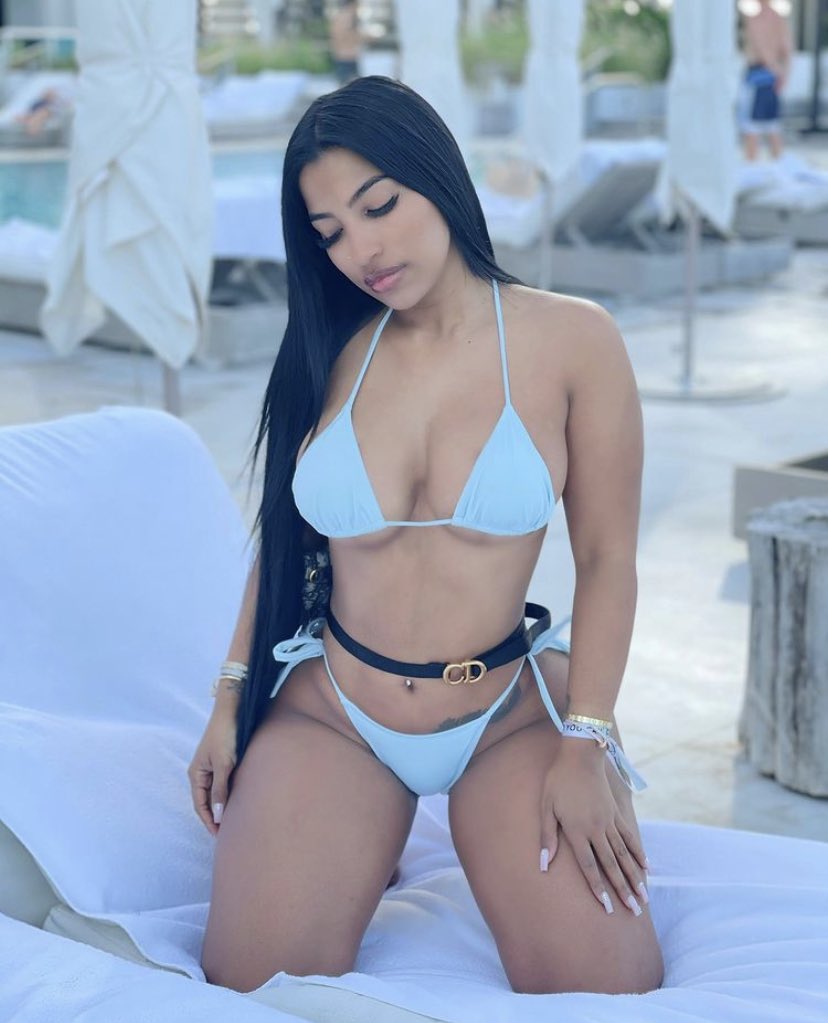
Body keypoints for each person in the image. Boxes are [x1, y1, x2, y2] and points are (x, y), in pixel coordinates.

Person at [188, 75, 664, 996]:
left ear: (438, 176)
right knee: (249, 987)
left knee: (610, 993)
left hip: (507, 714)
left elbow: (608, 559)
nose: (361, 250)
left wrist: (588, 740)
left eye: (379, 206)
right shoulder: (329, 351)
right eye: (329, 232)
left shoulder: (573, 339)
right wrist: (229, 698)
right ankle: (360, 834)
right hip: (337, 713)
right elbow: (284, 543)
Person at [739, 0, 794, 160]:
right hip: (772, 77)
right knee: (772, 126)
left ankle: (751, 166)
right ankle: (779, 165)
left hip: (759, 76)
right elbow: (787, 51)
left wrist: (776, 71)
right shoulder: (780, 19)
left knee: (752, 128)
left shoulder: (754, 20)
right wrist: (783, 75)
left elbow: (762, 49)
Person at [328, 0, 363, 85]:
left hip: (343, 57)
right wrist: (363, 37)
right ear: (353, 5)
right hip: (347, 57)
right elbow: (345, 36)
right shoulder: (347, 17)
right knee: (350, 86)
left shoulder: (338, 17)